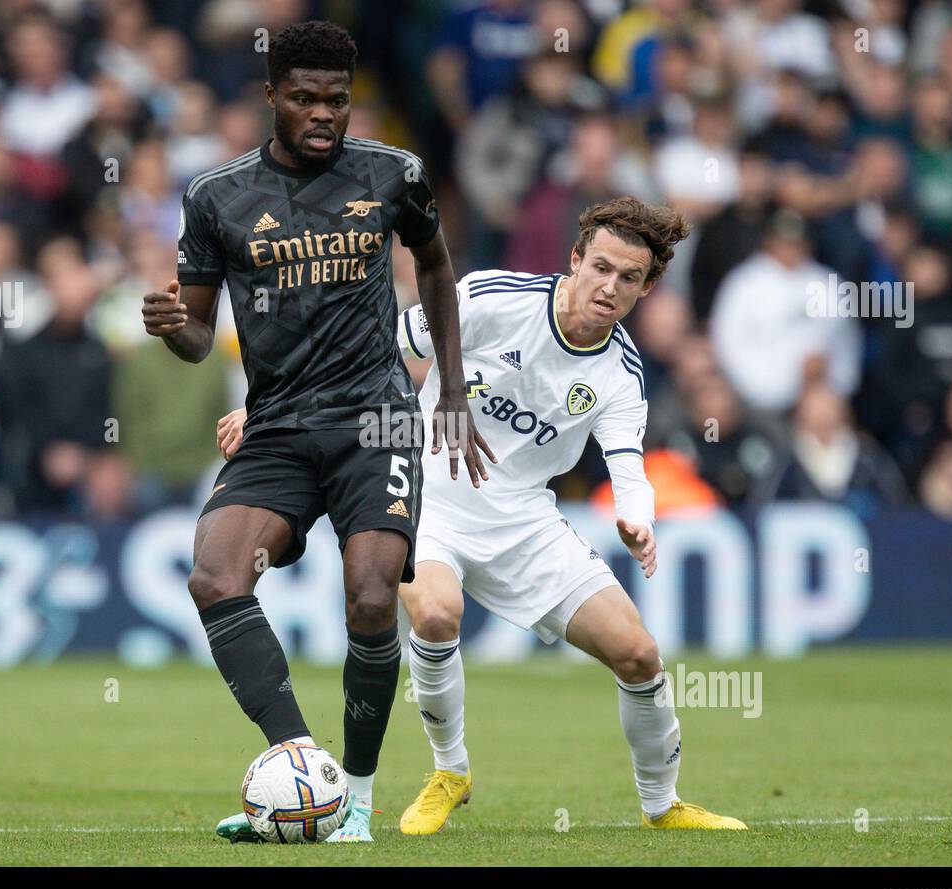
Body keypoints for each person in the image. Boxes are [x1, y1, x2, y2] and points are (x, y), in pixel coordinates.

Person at [219, 198, 746, 837]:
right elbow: (368, 340)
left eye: (628, 278)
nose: (609, 288)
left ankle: (663, 806)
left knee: (639, 655)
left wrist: (637, 518)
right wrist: (272, 409)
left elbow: (627, 462)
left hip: (524, 520)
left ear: (647, 287)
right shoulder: (495, 298)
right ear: (575, 260)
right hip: (425, 492)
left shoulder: (621, 371)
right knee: (437, 614)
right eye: (601, 268)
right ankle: (451, 772)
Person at [139, 21, 490, 844]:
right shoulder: (216, 197)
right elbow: (196, 337)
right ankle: (303, 768)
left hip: (373, 420)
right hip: (277, 425)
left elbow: (435, 265)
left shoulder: (392, 173)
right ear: (271, 98)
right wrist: (171, 328)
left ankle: (357, 805)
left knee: (372, 598)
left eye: (336, 99)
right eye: (304, 98)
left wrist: (452, 386)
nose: (323, 113)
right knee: (215, 578)